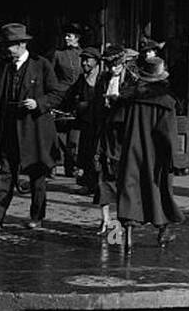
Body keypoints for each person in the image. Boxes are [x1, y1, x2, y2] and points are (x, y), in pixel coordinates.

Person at [0, 23, 61, 232]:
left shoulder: (41, 65)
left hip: (35, 131)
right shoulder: (5, 67)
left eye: (10, 45)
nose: (7, 49)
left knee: (37, 176)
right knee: (5, 172)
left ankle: (37, 216)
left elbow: (56, 93)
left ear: (21, 45)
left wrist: (39, 104)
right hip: (10, 129)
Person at [115, 56, 183, 251]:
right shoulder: (166, 102)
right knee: (158, 189)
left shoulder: (129, 97)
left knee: (131, 186)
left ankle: (128, 231)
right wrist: (173, 159)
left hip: (132, 150)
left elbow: (116, 124)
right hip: (156, 153)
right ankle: (163, 229)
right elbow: (167, 133)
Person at [90, 45, 131, 236]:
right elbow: (96, 104)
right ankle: (105, 219)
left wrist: (119, 100)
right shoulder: (103, 78)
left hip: (123, 134)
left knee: (123, 176)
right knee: (103, 176)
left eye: (116, 64)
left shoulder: (130, 80)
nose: (113, 68)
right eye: (109, 65)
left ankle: (123, 220)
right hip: (106, 131)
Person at [60, 46, 102, 189]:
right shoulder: (82, 78)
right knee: (85, 152)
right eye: (83, 60)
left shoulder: (102, 77)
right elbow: (70, 96)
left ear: (96, 61)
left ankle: (98, 185)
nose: (84, 63)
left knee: (96, 153)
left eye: (88, 60)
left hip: (99, 122)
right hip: (85, 122)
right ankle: (88, 184)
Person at [49, 24, 84, 178]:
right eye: (65, 35)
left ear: (77, 38)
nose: (66, 38)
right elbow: (50, 75)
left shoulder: (84, 55)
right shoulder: (58, 54)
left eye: (69, 35)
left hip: (78, 97)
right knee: (58, 132)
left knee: (75, 134)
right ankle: (55, 163)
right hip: (61, 96)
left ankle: (72, 165)